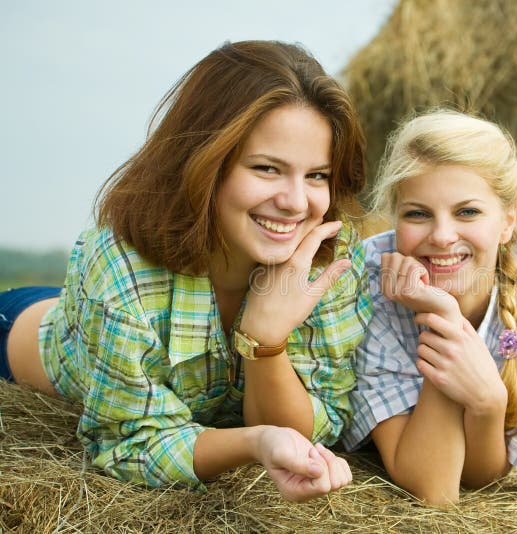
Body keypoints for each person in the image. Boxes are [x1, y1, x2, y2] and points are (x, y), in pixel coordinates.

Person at [0, 40, 373, 502]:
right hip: (18, 331)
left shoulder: (330, 251)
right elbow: (131, 443)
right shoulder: (120, 263)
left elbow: (318, 420)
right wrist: (253, 443)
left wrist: (265, 339)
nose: (297, 202)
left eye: (316, 175)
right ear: (205, 162)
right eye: (267, 168)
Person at [342, 110, 517, 506]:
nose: (443, 236)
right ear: (394, 218)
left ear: (507, 221)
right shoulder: (367, 286)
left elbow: (485, 480)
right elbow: (432, 487)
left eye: (467, 212)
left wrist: (487, 404)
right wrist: (442, 316)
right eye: (417, 213)